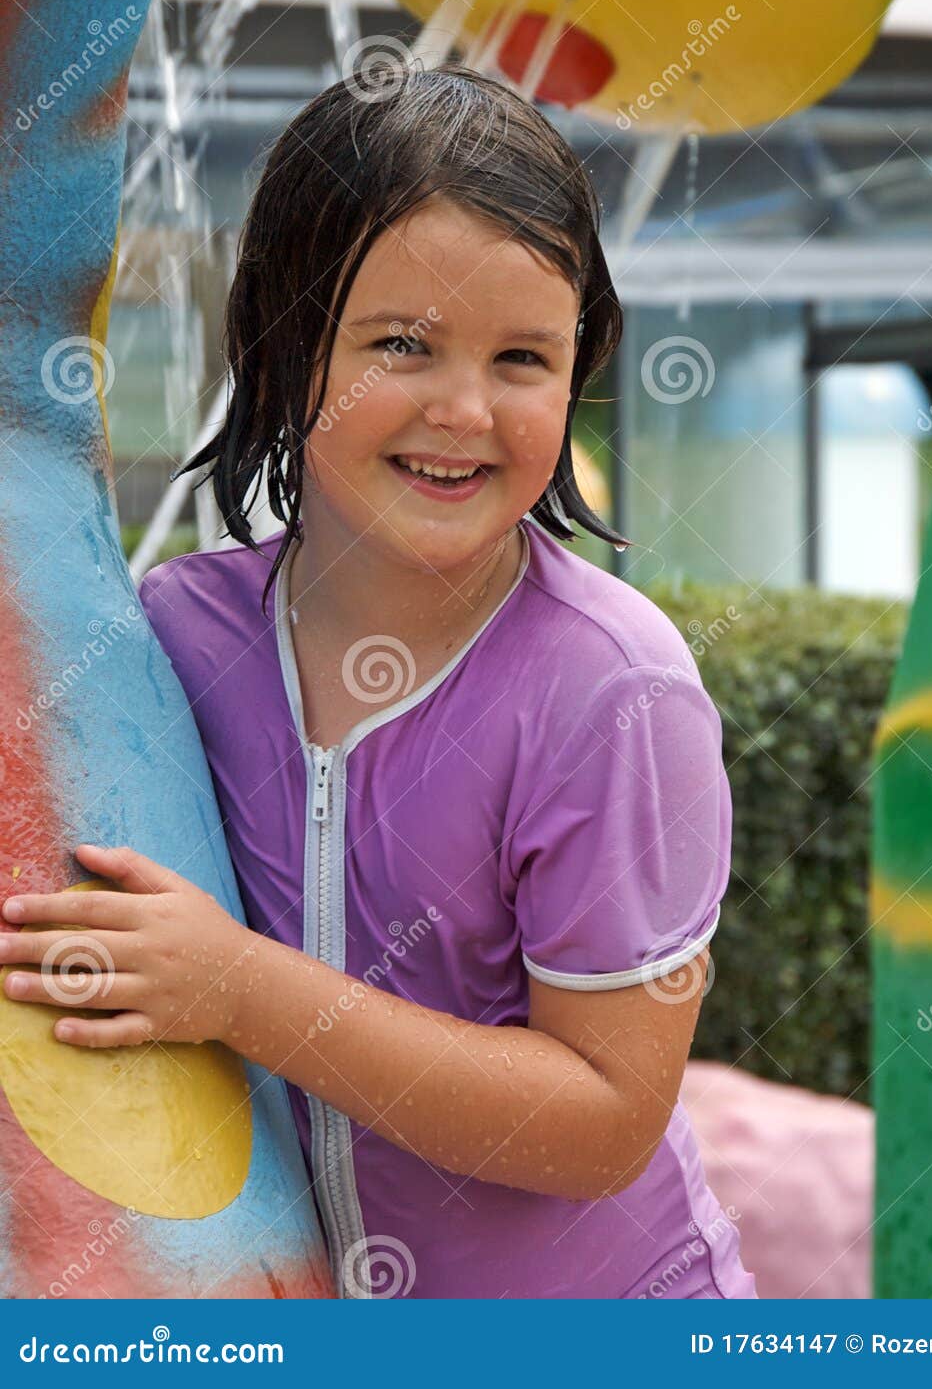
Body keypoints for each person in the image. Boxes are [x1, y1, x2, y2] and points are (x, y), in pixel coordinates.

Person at [0, 63, 756, 1301]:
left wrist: (241, 989)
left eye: (522, 356)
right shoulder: (178, 638)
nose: (463, 408)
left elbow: (602, 1120)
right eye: (402, 344)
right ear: (287, 348)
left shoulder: (611, 693)